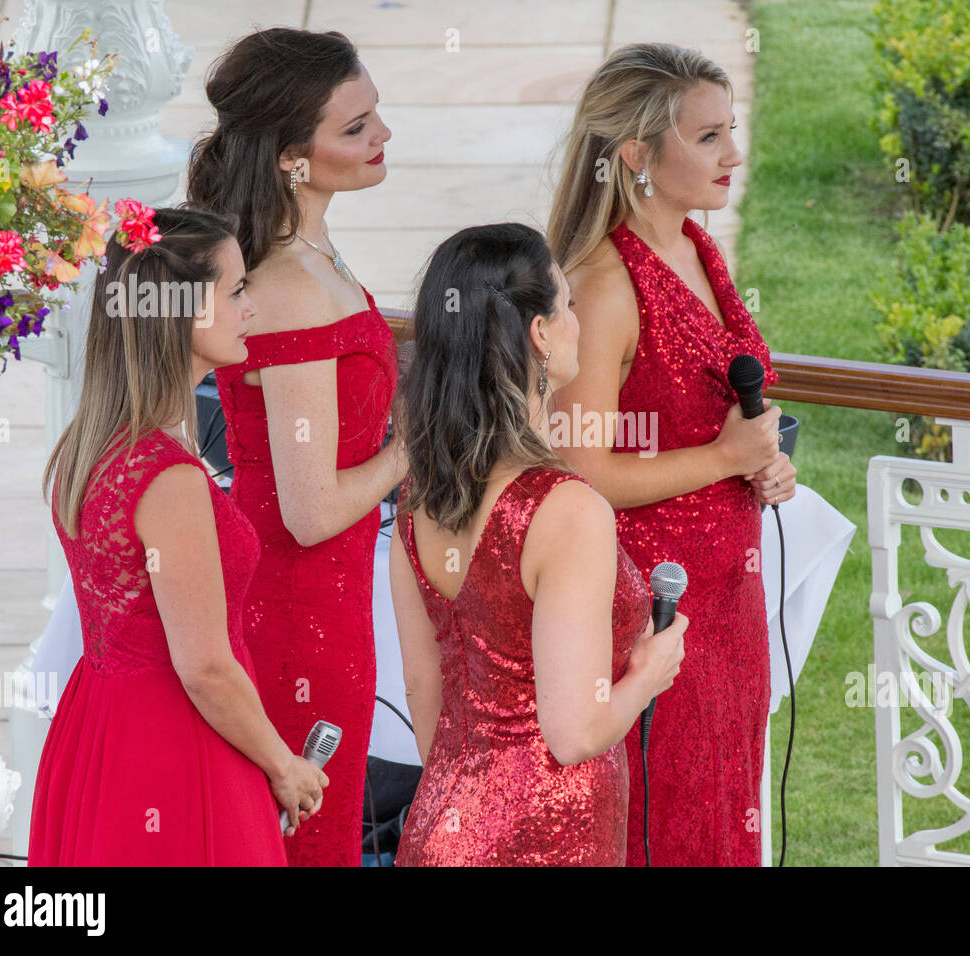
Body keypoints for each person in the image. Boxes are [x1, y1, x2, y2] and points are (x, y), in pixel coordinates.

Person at [545, 42, 797, 866]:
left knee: (726, 805)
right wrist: (726, 459)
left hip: (729, 593)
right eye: (710, 137)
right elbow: (581, 474)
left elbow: (706, 414)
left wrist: (764, 457)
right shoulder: (603, 284)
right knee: (665, 815)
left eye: (732, 131)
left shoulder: (695, 245)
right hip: (652, 604)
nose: (735, 154)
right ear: (637, 157)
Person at [29, 206, 327, 866]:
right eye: (237, 290)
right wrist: (285, 766)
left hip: (100, 731)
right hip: (176, 746)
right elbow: (205, 667)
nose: (250, 307)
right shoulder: (168, 478)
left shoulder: (89, 446)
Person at [389, 223, 687, 866]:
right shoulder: (566, 509)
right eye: (568, 305)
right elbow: (575, 731)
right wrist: (649, 674)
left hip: (440, 826)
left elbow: (425, 696)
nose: (578, 319)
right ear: (540, 333)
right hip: (544, 839)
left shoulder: (419, 505)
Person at [186, 29, 405, 866]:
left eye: (375, 112)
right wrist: (407, 452)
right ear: (289, 157)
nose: (382, 134)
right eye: (355, 127)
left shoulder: (306, 258)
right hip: (298, 613)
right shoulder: (287, 287)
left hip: (323, 605)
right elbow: (311, 513)